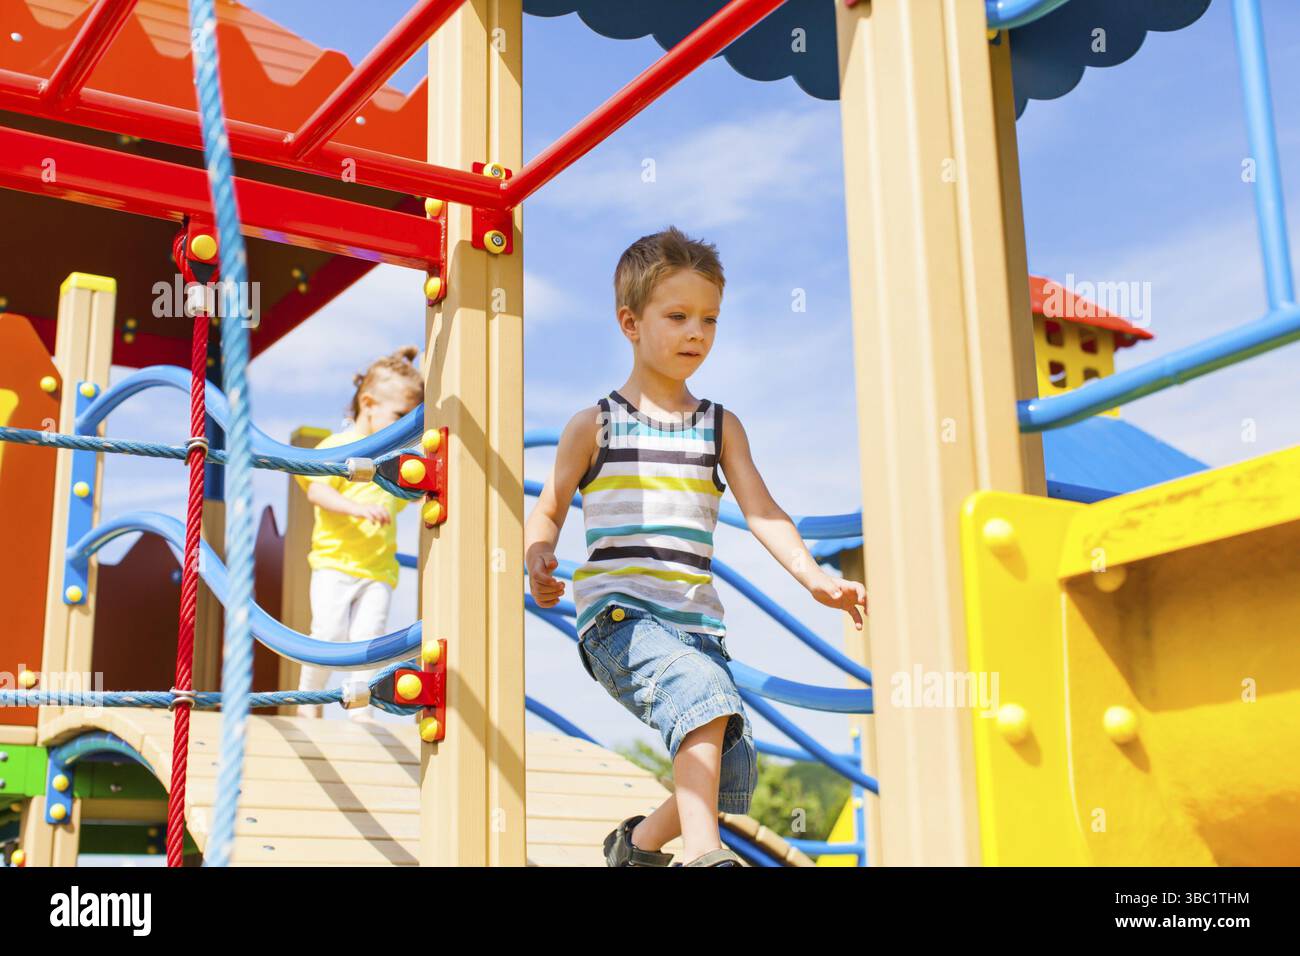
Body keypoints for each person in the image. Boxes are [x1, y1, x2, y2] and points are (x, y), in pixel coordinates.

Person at [524, 227, 867, 866]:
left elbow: (762, 510)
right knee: (699, 697)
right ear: (630, 321)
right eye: (677, 316)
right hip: (619, 617)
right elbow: (548, 505)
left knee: (719, 753)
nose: (696, 333)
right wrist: (539, 552)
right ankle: (704, 857)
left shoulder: (720, 425)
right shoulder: (595, 423)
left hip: (696, 625)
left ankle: (638, 847)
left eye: (709, 319)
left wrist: (812, 575)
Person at [296, 346, 422, 721]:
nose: (407, 428)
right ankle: (309, 703)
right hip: (335, 563)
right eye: (400, 417)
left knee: (370, 640)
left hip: (377, 570)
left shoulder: (395, 460)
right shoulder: (338, 447)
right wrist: (358, 508)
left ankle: (361, 711)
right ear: (368, 404)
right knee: (330, 633)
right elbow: (317, 490)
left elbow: (410, 497)